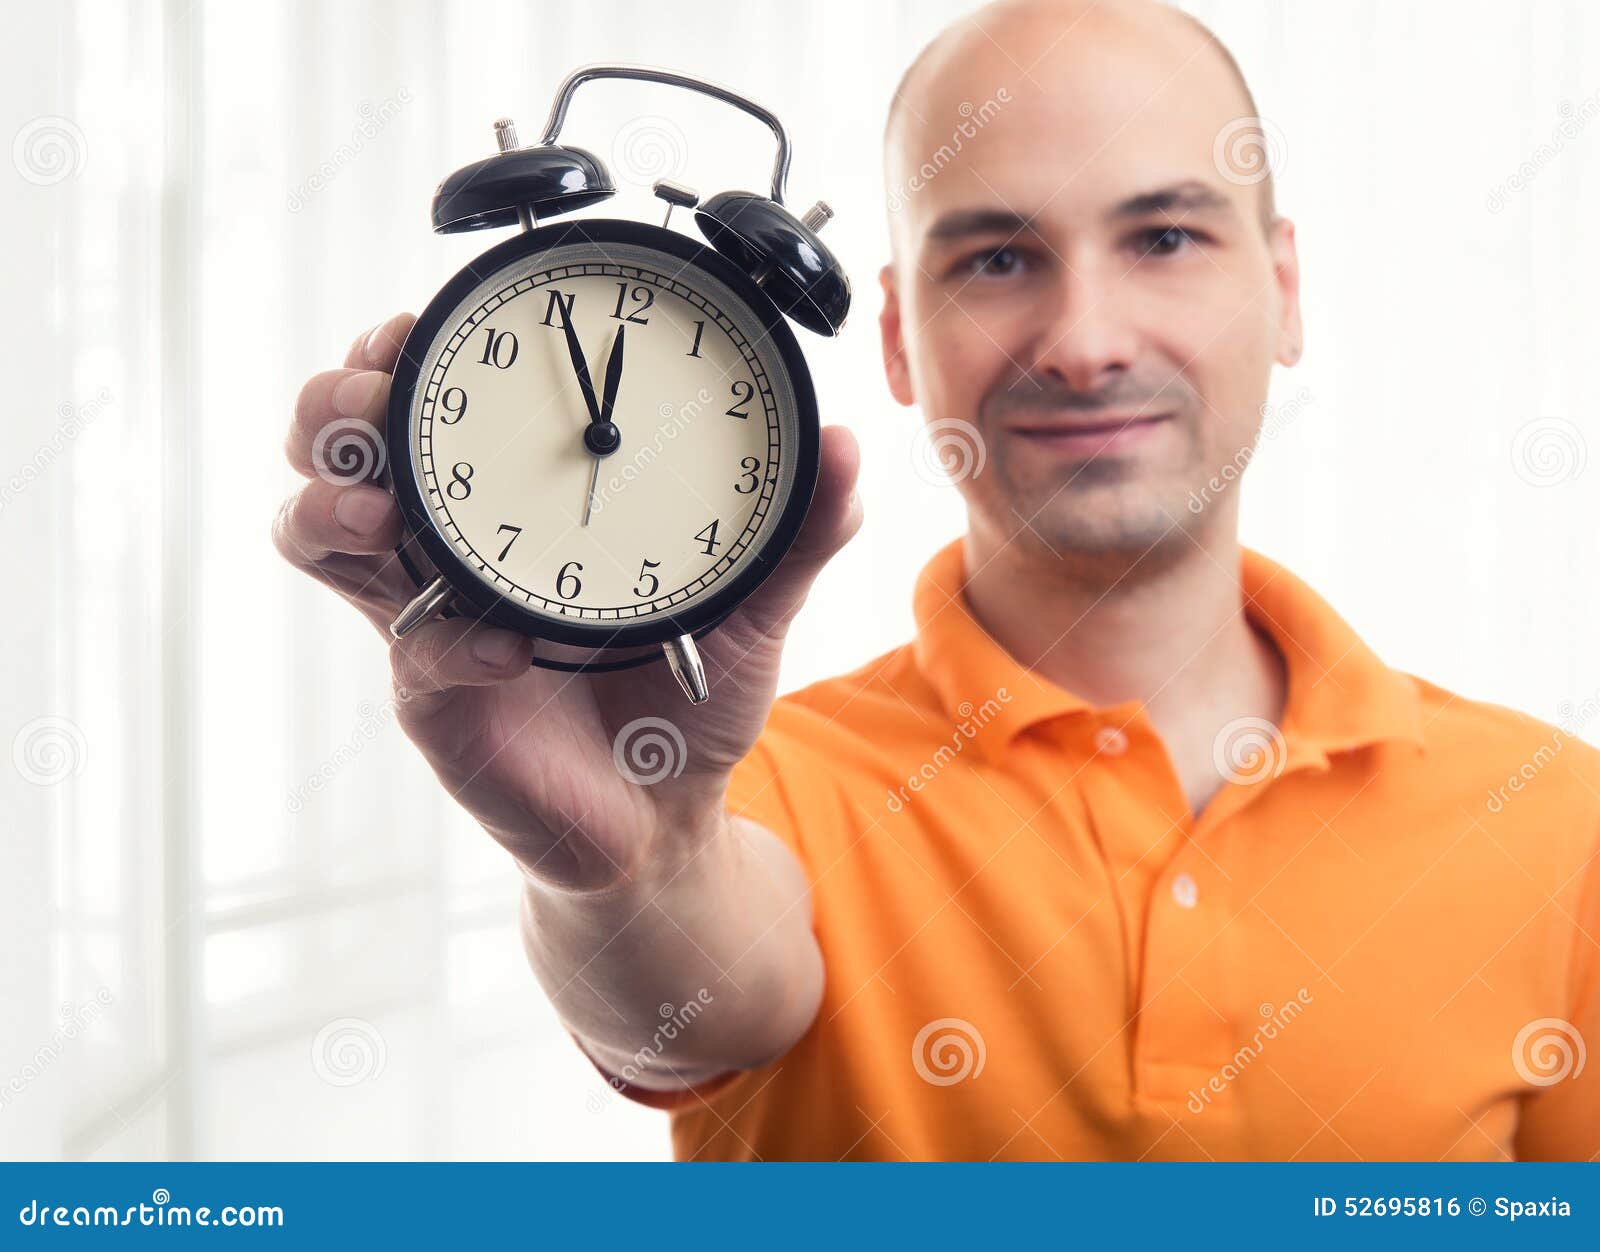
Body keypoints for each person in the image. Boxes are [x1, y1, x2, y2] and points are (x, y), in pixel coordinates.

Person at [274, 0, 1599, 1161]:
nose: (1083, 342)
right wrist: (630, 868)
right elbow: (698, 986)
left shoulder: (1559, 824)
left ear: (1285, 287)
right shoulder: (754, 785)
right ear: (902, 336)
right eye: (999, 258)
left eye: (1167, 239)